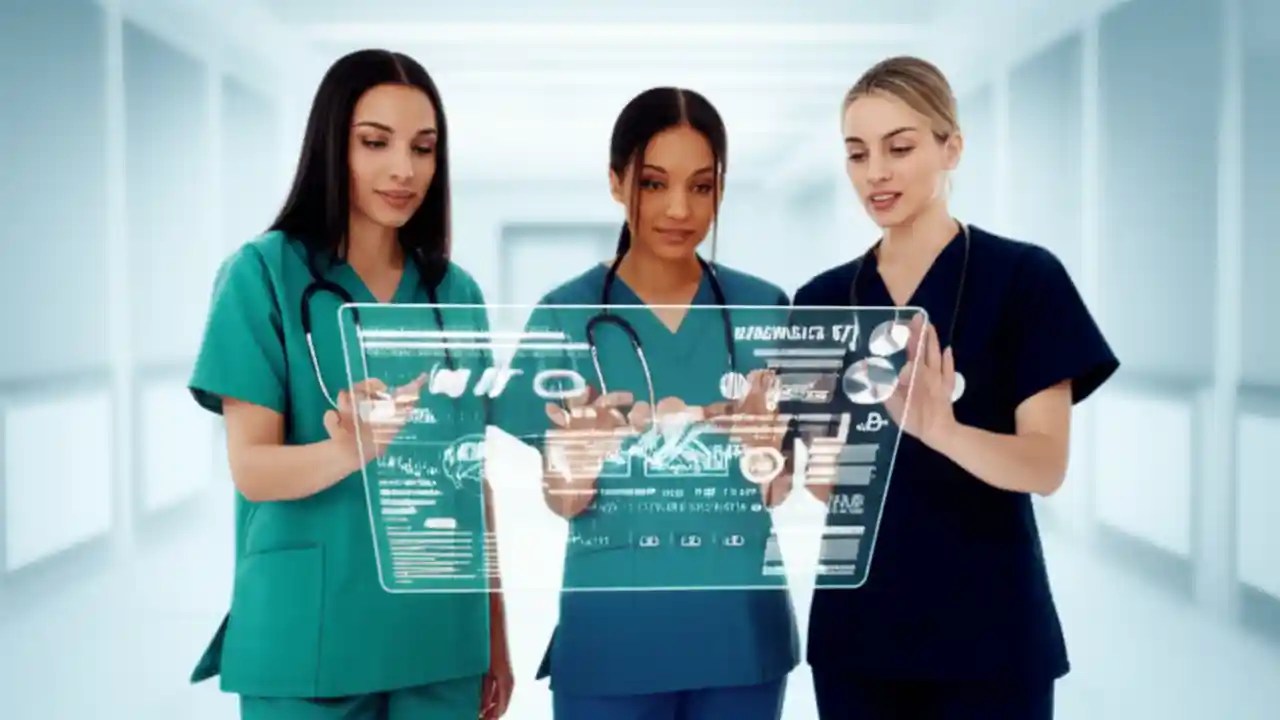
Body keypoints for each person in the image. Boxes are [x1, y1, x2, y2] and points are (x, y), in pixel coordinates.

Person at [187, 49, 513, 720]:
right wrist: (348, 450)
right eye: (376, 143)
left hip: (441, 639)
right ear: (331, 145)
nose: (404, 169)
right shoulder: (262, 275)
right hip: (309, 639)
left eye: (424, 148)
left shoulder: (456, 295)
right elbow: (252, 469)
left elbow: (469, 480)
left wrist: (495, 635)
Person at [794, 56, 1119, 719]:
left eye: (900, 147)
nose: (875, 172)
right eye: (857, 154)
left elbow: (1045, 464)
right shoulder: (822, 300)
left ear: (952, 147)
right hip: (860, 634)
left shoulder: (1024, 279)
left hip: (992, 634)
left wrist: (942, 430)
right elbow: (825, 483)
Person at [491, 87, 800, 720]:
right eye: (654, 184)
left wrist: (767, 456)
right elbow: (562, 497)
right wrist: (577, 463)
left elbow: (779, 488)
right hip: (613, 640)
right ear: (616, 181)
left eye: (703, 186)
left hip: (740, 639)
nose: (680, 209)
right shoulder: (565, 314)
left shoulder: (766, 309)